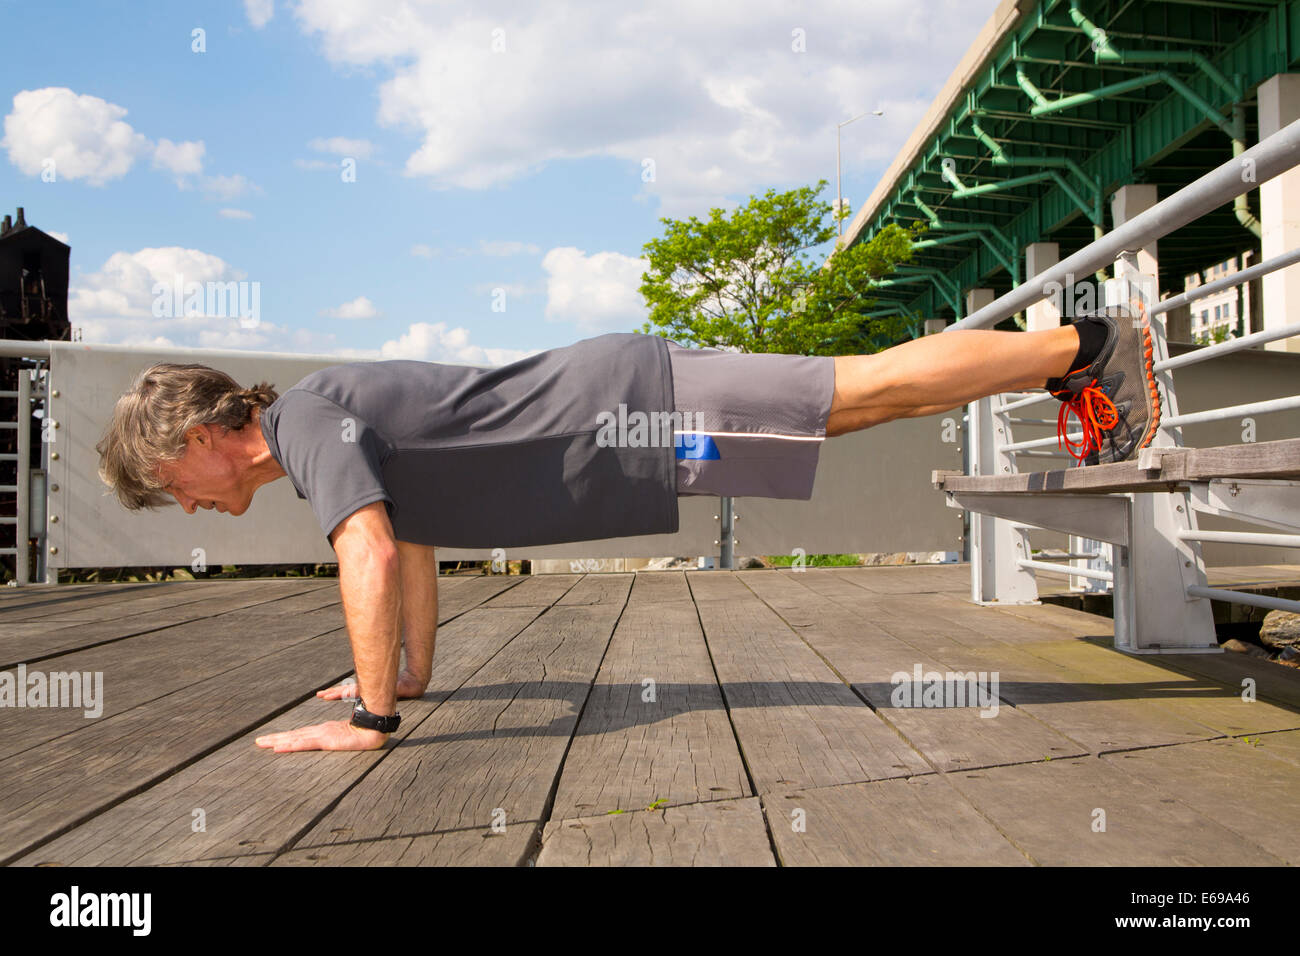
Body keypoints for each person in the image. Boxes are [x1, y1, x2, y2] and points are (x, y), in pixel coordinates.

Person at [95, 309, 1158, 753]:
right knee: (857, 402)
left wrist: (369, 721)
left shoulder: (308, 424)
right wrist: (407, 676)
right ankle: (1075, 354)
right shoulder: (317, 428)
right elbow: (409, 539)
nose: (179, 503)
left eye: (166, 480)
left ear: (201, 431)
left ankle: (1089, 344)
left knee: (859, 389)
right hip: (632, 419)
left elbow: (367, 551)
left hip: (632, 409)